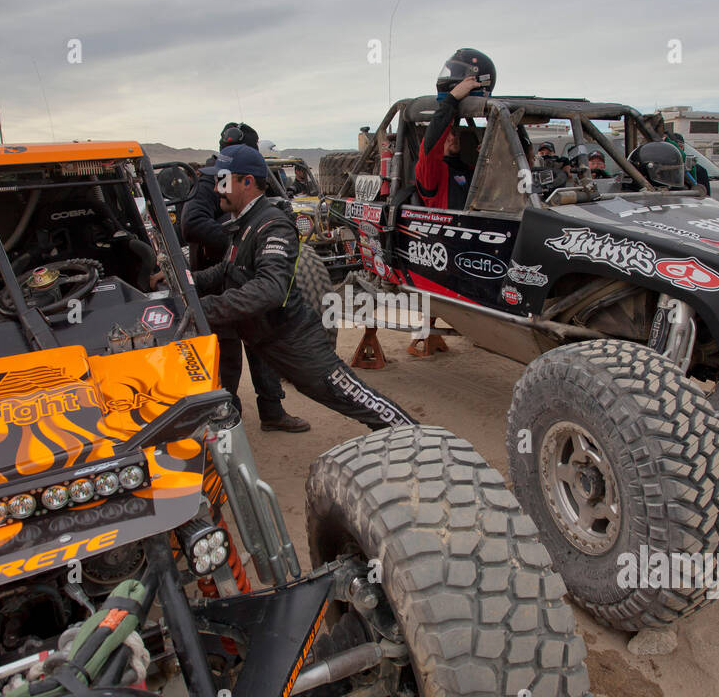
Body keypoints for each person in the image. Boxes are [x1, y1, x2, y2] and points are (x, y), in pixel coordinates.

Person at [177, 144, 416, 431]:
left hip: (297, 343)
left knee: (361, 401)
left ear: (247, 182)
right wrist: (187, 282)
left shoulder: (272, 225)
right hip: (270, 342)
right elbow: (227, 269)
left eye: (223, 180)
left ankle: (420, 440)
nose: (217, 189)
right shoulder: (244, 222)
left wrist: (204, 308)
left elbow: (270, 289)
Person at [180, 123, 309, 432]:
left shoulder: (244, 181)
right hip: (220, 281)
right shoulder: (211, 180)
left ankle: (272, 410)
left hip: (246, 276)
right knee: (226, 359)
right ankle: (227, 418)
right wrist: (238, 240)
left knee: (261, 345)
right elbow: (191, 223)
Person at [414, 48, 495, 210]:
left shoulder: (470, 169)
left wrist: (490, 161)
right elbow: (430, 146)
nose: (453, 137)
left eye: (455, 132)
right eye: (448, 134)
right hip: (444, 231)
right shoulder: (432, 173)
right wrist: (451, 100)